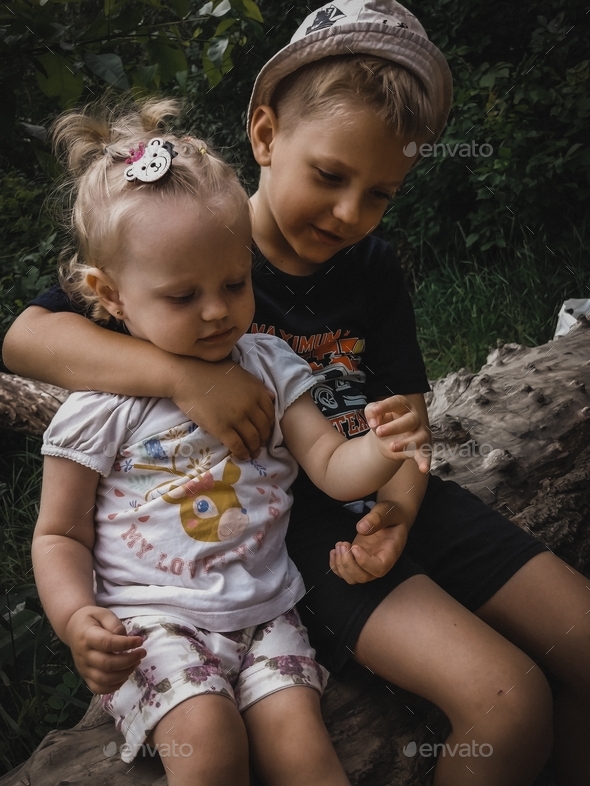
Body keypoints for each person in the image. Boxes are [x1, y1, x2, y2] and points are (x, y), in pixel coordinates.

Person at [5, 2, 590, 784]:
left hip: (384, 489)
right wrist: (187, 375)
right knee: (508, 704)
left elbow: (406, 416)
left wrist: (403, 504)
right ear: (267, 134)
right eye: (330, 176)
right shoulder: (186, 242)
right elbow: (25, 338)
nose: (351, 213)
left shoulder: (369, 269)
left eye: (381, 192)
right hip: (287, 531)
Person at [30, 98, 430, 786]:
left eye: (235, 283)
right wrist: (74, 622)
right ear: (110, 295)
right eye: (183, 297)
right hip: (150, 624)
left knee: (307, 757)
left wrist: (385, 445)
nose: (217, 311)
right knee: (208, 749)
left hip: (267, 612)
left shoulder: (271, 366)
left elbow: (334, 465)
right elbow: (58, 534)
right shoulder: (101, 405)